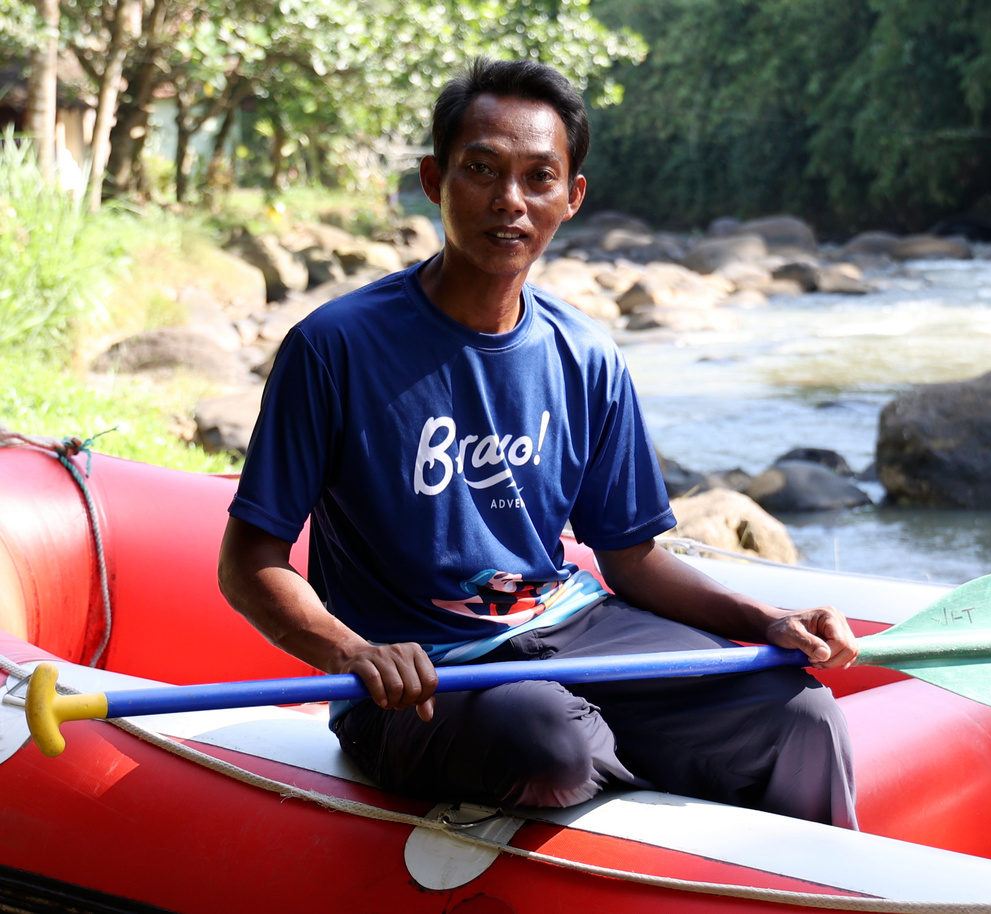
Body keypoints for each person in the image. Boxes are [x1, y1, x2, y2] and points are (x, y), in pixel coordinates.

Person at [218, 57, 859, 828]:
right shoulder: (334, 349)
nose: (508, 202)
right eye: (481, 170)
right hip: (420, 679)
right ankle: (635, 762)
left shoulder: (584, 355)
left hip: (575, 630)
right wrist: (352, 652)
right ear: (433, 179)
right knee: (545, 739)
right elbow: (248, 564)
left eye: (538, 177)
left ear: (572, 196)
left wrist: (763, 620)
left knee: (802, 718)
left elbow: (632, 557)